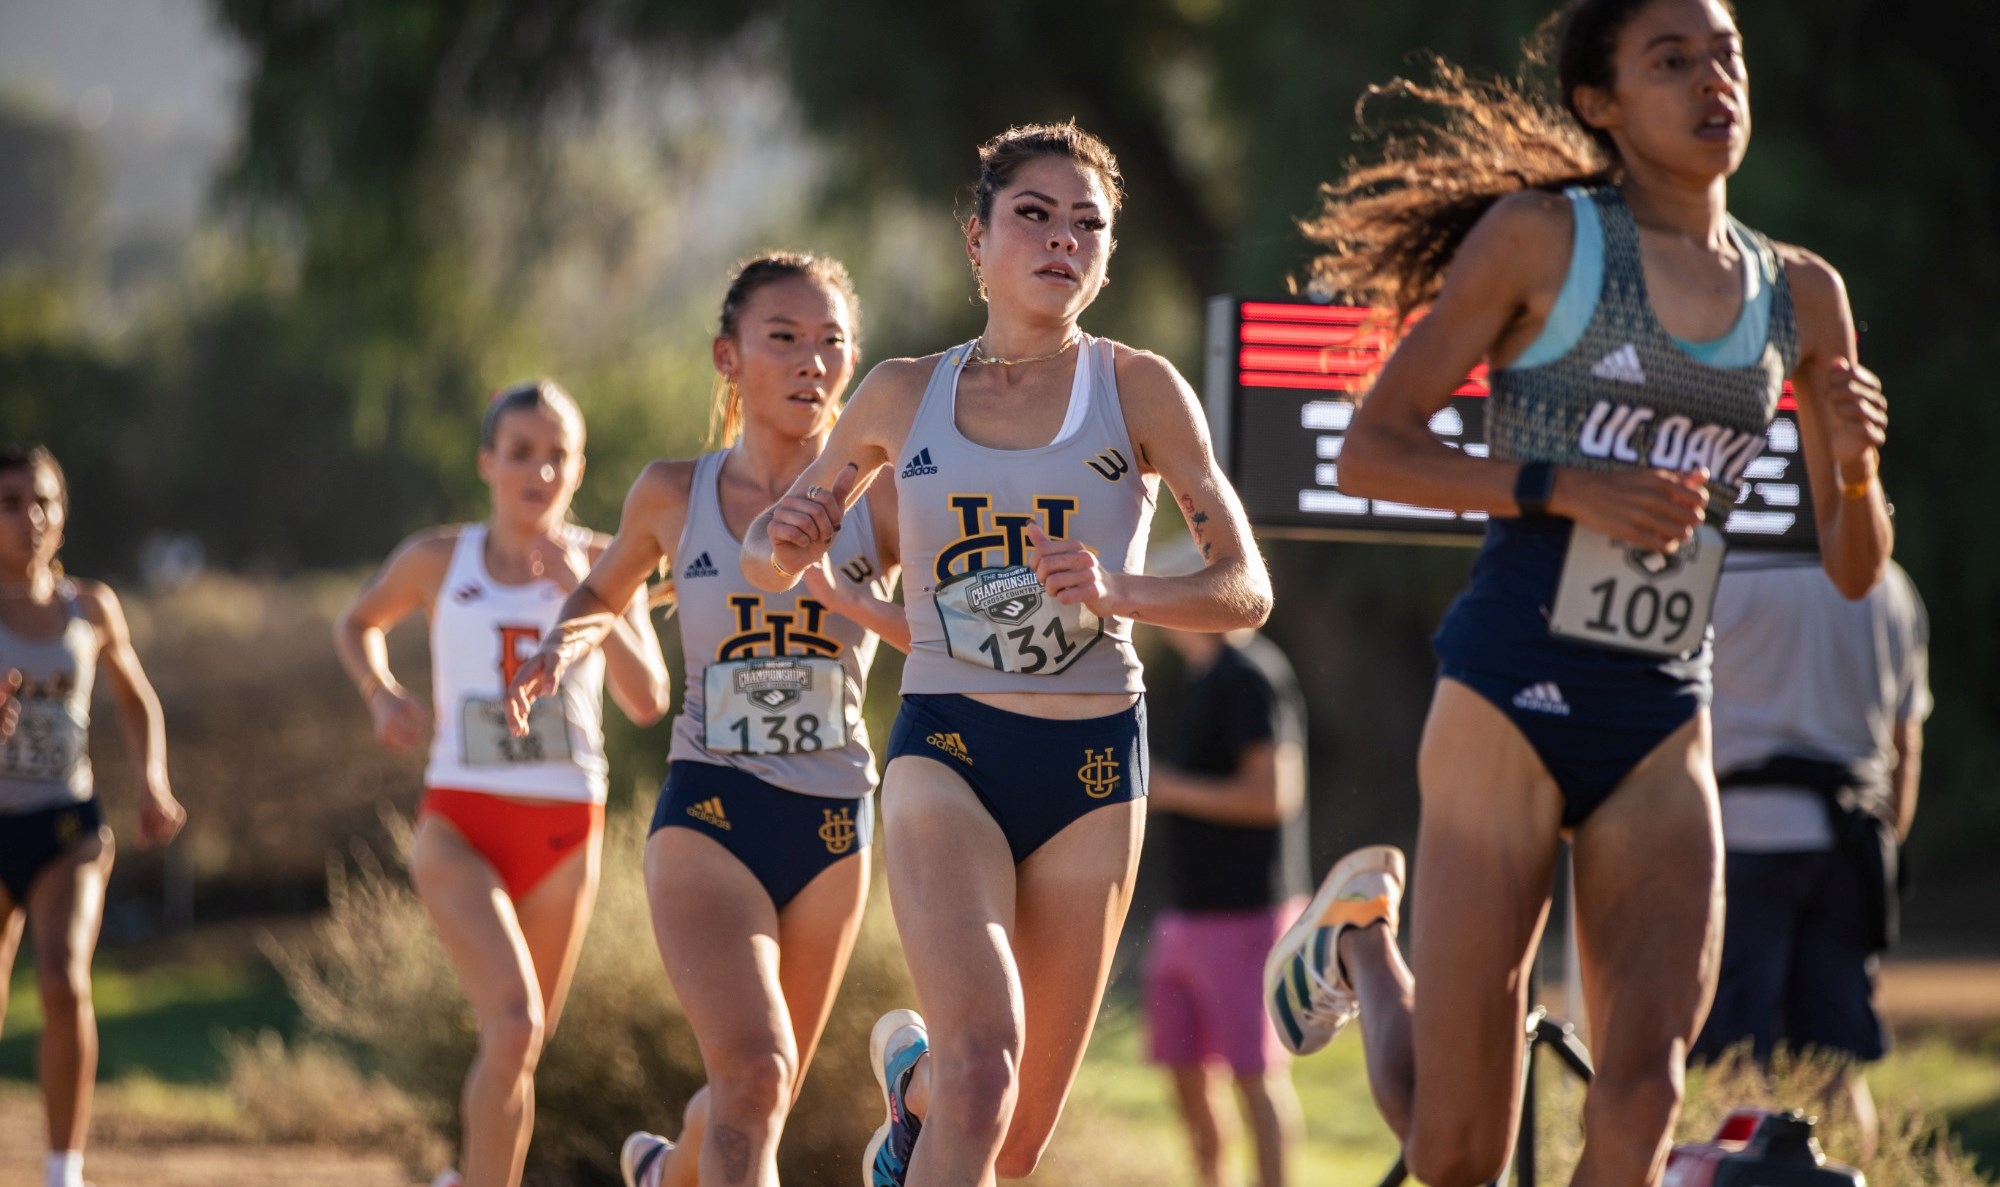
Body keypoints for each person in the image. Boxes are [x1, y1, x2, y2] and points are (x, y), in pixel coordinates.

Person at [1261, 1, 1895, 1183]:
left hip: (1661, 707)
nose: (1715, 83)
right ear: (1598, 102)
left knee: (1646, 1085)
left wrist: (1854, 464)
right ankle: (1356, 949)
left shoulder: (1801, 294)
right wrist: (1560, 485)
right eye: (1672, 61)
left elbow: (1855, 566)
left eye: (1727, 57)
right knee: (1457, 1144)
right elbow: (1373, 449)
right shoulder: (1541, 240)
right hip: (1508, 682)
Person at [738, 122, 1273, 1187]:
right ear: (975, 240)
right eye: (1033, 214)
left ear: (1106, 259)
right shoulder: (898, 391)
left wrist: (1121, 588)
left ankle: (913, 1102)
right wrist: (781, 542)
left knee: (1014, 1139)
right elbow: (771, 551)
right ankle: (940, 1093)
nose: (1062, 239)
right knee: (986, 1072)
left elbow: (1245, 589)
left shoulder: (1140, 389)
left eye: (1089, 225)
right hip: (949, 748)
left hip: (1089, 766)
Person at [503, 253, 903, 1187]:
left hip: (836, 818)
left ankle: (659, 1173)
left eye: (832, 341)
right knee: (756, 1075)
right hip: (712, 808)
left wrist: (849, 597)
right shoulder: (672, 493)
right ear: (728, 357)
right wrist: (559, 650)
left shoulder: (882, 498)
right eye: (784, 338)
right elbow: (601, 596)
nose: (813, 360)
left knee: (759, 1093)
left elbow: (937, 630)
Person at [335, 381, 672, 1187]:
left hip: (565, 832)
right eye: (522, 452)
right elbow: (357, 622)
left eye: (558, 455)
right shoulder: (437, 558)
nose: (540, 471)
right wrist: (382, 694)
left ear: (580, 467)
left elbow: (648, 696)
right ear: (487, 461)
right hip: (460, 824)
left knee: (521, 1045)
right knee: (515, 1023)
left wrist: (588, 596)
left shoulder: (601, 562)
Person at [1691, 555, 1930, 1162]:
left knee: (1736, 1056)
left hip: (1743, 839)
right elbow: (1907, 744)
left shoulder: (1728, 571)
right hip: (1848, 850)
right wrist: (1884, 851)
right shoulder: (1891, 586)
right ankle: (1849, 1175)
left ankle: (1743, 1178)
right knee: (1834, 1064)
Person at [0, 444, 186, 1187]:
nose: (29, 518)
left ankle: (62, 1168)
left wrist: (151, 780)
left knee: (63, 979)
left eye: (42, 501)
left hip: (67, 825)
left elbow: (136, 697)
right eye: (10, 503)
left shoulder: (91, 606)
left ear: (63, 515)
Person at [1141, 538, 1309, 1187]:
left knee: (1256, 1077)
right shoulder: (1201, 679)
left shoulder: (1252, 674)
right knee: (1185, 1077)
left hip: (1249, 915)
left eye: (1163, 589)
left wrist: (1169, 787)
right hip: (1186, 914)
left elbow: (1274, 795)